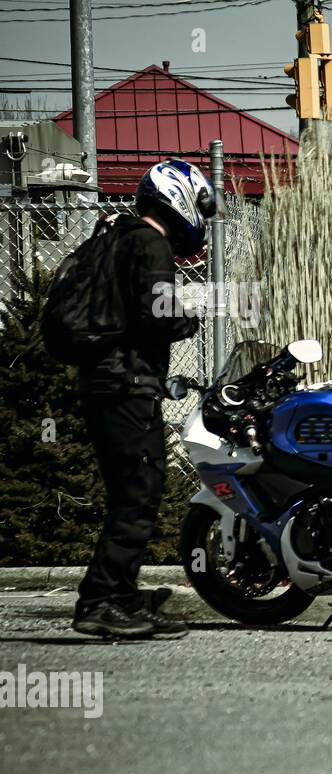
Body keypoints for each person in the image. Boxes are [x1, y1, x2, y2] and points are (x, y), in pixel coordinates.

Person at [71, 159, 216, 639]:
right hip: (126, 384)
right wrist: (190, 316)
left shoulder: (117, 234)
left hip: (104, 382)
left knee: (128, 493)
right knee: (139, 492)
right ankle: (101, 601)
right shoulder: (150, 242)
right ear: (176, 197)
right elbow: (155, 315)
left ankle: (123, 596)